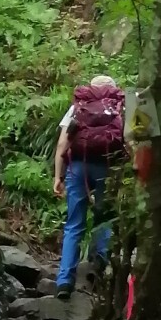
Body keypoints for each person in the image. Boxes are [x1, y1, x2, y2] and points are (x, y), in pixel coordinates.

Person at [53, 74, 126, 300]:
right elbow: (130, 140)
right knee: (104, 220)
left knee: (74, 224)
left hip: (78, 167)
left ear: (91, 89)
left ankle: (64, 280)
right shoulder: (120, 106)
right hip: (108, 166)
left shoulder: (79, 106)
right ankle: (99, 271)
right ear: (112, 89)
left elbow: (63, 143)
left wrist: (58, 176)